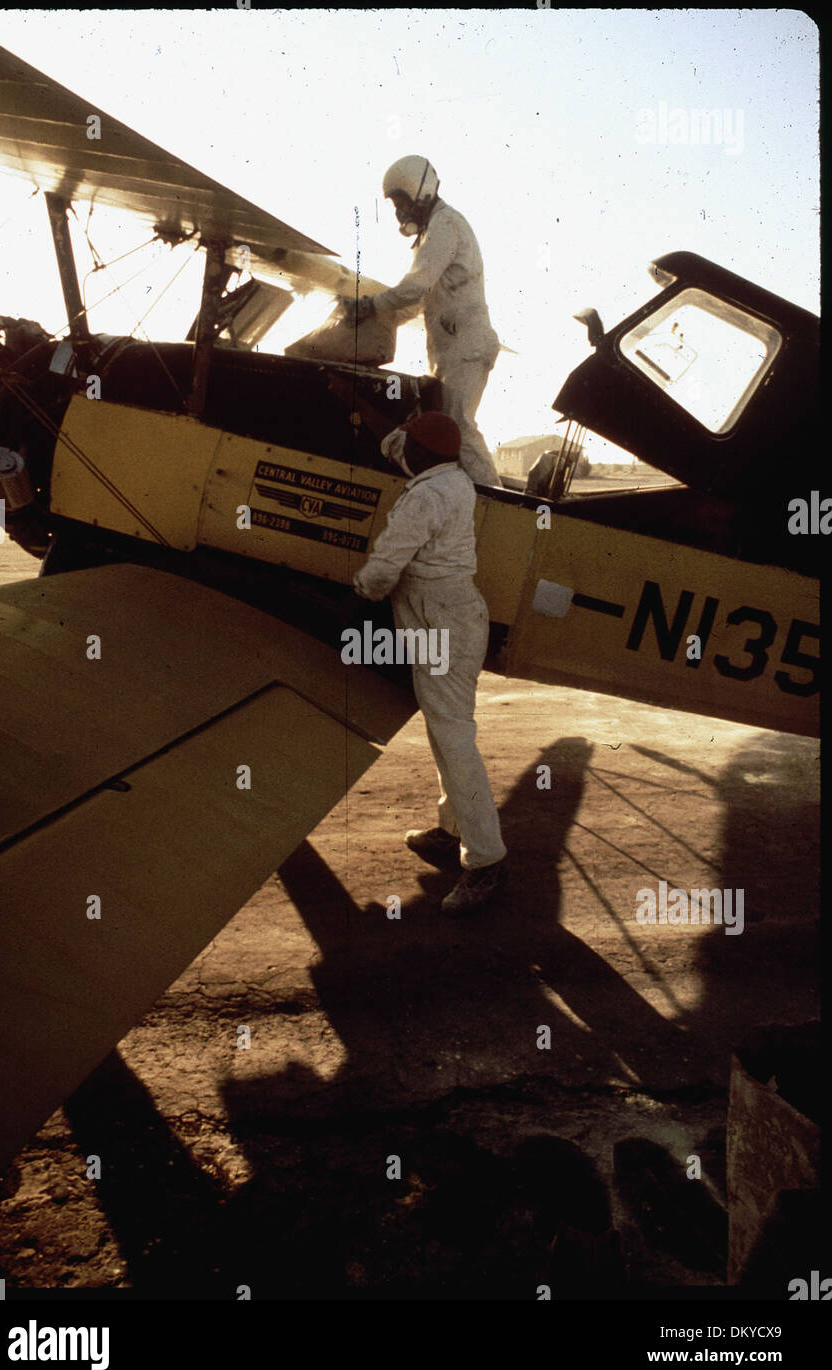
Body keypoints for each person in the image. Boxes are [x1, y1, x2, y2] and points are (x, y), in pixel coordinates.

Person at [352, 410, 507, 915]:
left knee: (455, 737)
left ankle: (485, 861)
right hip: (445, 615)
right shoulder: (454, 480)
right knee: (446, 731)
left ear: (421, 452)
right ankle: (452, 830)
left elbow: (387, 564)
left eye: (408, 446)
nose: (403, 452)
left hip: (441, 620)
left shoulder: (425, 495)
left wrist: (361, 588)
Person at [354, 156, 501, 489]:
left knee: (458, 429)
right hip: (453, 351)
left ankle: (496, 502)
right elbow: (421, 299)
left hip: (465, 346)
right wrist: (384, 315)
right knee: (448, 429)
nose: (398, 211)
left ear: (419, 193)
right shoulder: (435, 232)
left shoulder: (445, 225)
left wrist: (371, 304)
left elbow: (416, 286)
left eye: (401, 202)